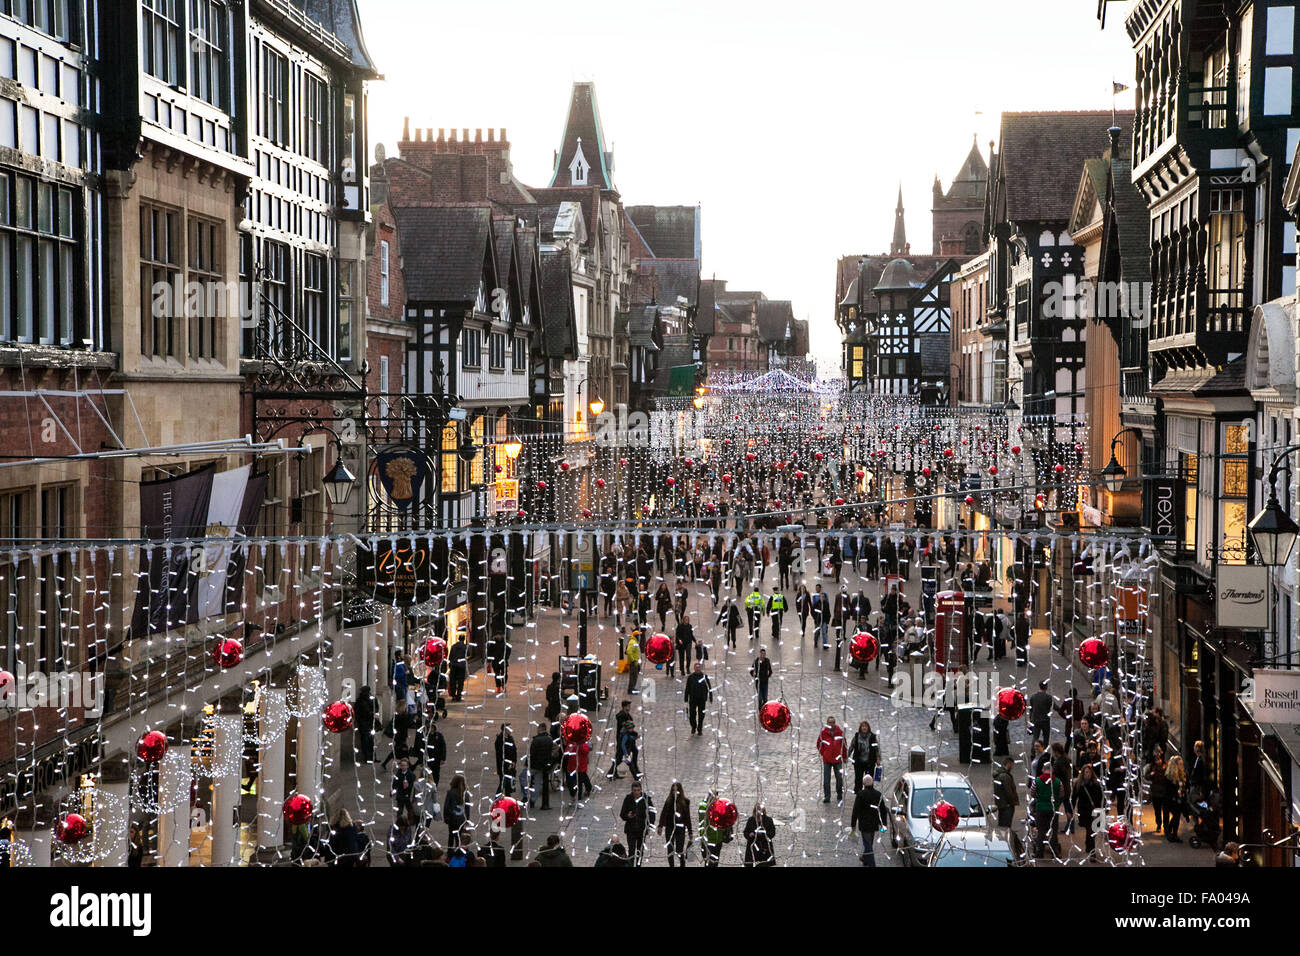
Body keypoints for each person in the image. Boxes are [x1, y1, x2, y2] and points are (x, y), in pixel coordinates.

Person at [849, 773, 888, 866]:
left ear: (863, 784)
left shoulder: (861, 794)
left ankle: (871, 864)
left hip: (864, 824)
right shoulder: (878, 794)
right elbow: (883, 810)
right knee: (868, 843)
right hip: (874, 823)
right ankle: (865, 858)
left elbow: (855, 810)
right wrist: (884, 824)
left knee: (868, 845)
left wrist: (853, 825)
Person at [1072, 763, 1105, 862]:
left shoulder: (1096, 784)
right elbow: (1074, 797)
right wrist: (1071, 809)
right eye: (1086, 772)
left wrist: (1104, 809)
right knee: (1089, 830)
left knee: (1092, 831)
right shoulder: (1079, 784)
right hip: (1084, 811)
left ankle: (1091, 849)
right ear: (1083, 773)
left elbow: (1102, 797)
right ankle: (1091, 851)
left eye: (1089, 772)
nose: (1088, 774)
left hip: (1095, 811)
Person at [658, 782, 693, 867]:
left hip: (680, 828)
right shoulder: (669, 801)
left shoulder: (685, 802)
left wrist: (690, 831)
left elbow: (687, 817)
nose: (675, 792)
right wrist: (660, 826)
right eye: (673, 790)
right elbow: (664, 813)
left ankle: (682, 864)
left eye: (677, 790)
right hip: (670, 827)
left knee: (679, 850)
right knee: (670, 849)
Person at [620, 781, 655, 866]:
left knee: (640, 850)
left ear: (641, 790)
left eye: (638, 790)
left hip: (641, 830)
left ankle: (638, 865)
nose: (636, 792)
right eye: (634, 790)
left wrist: (649, 825)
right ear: (632, 790)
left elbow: (652, 813)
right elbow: (622, 814)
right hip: (631, 830)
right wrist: (627, 816)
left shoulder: (646, 799)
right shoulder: (628, 798)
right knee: (631, 851)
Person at [1029, 769, 1062, 860]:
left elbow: (1032, 793)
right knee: (1053, 831)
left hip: (1040, 809)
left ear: (1043, 770)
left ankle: (1040, 852)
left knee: (1041, 831)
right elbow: (1061, 794)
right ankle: (1054, 852)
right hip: (1053, 809)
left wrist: (1040, 798)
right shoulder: (1058, 781)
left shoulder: (1037, 781)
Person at [698, 788, 731, 867]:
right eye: (711, 796)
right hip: (707, 838)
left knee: (715, 862)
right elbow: (703, 816)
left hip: (717, 839)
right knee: (707, 861)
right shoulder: (703, 805)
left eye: (714, 796)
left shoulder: (719, 806)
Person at [818, 716, 846, 804]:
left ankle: (839, 794)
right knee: (826, 779)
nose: (831, 724)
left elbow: (844, 745)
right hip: (827, 759)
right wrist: (824, 752)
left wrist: (844, 756)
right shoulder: (823, 733)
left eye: (833, 722)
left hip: (837, 759)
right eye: (830, 722)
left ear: (835, 723)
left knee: (839, 778)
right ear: (827, 723)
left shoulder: (840, 733)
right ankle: (827, 796)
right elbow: (819, 744)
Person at [528, 721, 555, 810]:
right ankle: (534, 800)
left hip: (534, 765)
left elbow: (532, 753)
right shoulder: (549, 739)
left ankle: (527, 798)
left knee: (523, 779)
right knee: (537, 784)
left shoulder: (536, 740)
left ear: (540, 729)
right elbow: (554, 749)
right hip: (544, 766)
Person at [848, 720, 880, 794]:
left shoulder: (872, 737)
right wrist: (847, 756)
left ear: (868, 728)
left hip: (869, 762)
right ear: (860, 728)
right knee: (858, 778)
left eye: (866, 726)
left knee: (868, 778)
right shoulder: (856, 736)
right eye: (863, 726)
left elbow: (877, 749)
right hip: (859, 762)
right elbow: (851, 747)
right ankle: (858, 793)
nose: (864, 728)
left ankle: (868, 792)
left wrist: (878, 759)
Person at [992, 756, 1019, 834]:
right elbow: (1008, 791)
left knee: (1002, 824)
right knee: (1006, 826)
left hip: (1001, 804)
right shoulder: (1005, 776)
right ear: (1009, 764)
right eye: (1012, 765)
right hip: (1007, 805)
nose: (1012, 767)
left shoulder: (998, 775)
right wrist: (1013, 801)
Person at [684, 662, 713, 735]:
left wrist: (710, 697)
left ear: (700, 668)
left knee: (701, 715)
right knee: (692, 715)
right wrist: (686, 699)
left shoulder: (705, 677)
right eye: (696, 668)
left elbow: (709, 687)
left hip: (702, 699)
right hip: (693, 699)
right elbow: (687, 688)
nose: (697, 669)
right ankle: (693, 726)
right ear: (694, 669)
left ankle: (700, 729)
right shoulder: (690, 677)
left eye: (699, 667)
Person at [1145, 745, 1168, 834]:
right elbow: (1146, 777)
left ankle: (1165, 826)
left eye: (1159, 759)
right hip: (1155, 791)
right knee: (1157, 810)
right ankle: (1159, 824)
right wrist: (1151, 775)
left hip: (1163, 791)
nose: (1158, 761)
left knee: (1165, 810)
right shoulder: (1151, 767)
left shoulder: (1165, 766)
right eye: (1157, 760)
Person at [1165, 754, 1187, 842]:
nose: (1182, 766)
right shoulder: (1169, 776)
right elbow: (1168, 790)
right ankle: (1171, 832)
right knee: (1176, 816)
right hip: (1172, 800)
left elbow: (1185, 785)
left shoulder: (1182, 774)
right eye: (1180, 764)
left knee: (1177, 817)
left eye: (1182, 764)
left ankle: (1174, 834)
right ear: (1175, 765)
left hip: (1180, 799)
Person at [563, 737, 592, 802]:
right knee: (570, 783)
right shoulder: (571, 743)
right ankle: (573, 795)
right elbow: (566, 753)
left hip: (580, 768)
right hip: (571, 768)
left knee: (579, 783)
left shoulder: (583, 743)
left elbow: (586, 751)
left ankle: (578, 799)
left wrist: (579, 745)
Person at [444, 775, 469, 849]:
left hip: (452, 818)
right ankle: (458, 851)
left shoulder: (451, 792)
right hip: (461, 819)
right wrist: (467, 820)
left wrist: (446, 817)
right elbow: (467, 808)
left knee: (451, 836)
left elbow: (447, 807)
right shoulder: (465, 794)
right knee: (459, 837)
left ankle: (450, 851)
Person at [1028, 679, 1055, 748]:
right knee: (1046, 737)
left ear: (1039, 686)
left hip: (1036, 720)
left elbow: (1031, 709)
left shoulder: (1033, 697)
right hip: (1045, 720)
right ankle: (1044, 751)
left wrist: (1030, 719)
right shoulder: (1048, 697)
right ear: (1046, 687)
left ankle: (1033, 752)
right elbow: (1054, 706)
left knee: (1035, 737)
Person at [353, 685, 376, 763]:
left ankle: (371, 756)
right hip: (364, 722)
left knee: (369, 740)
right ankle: (368, 757)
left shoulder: (367, 699)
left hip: (367, 721)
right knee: (367, 740)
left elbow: (376, 708)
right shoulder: (361, 700)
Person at [494, 723, 517, 795]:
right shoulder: (500, 739)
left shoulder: (510, 738)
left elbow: (514, 750)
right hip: (503, 765)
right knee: (503, 783)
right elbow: (500, 754)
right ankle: (497, 798)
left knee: (507, 784)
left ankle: (507, 798)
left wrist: (514, 761)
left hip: (510, 765)